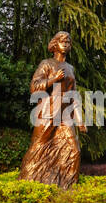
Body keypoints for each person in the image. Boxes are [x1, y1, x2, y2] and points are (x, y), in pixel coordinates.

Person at [18, 31, 86, 188]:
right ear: (55, 44)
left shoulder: (70, 68)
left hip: (65, 114)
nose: (66, 44)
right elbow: (34, 87)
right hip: (47, 112)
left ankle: (67, 187)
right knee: (38, 147)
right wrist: (53, 79)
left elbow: (74, 94)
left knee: (74, 150)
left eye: (68, 41)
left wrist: (80, 119)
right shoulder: (46, 64)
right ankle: (27, 184)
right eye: (63, 41)